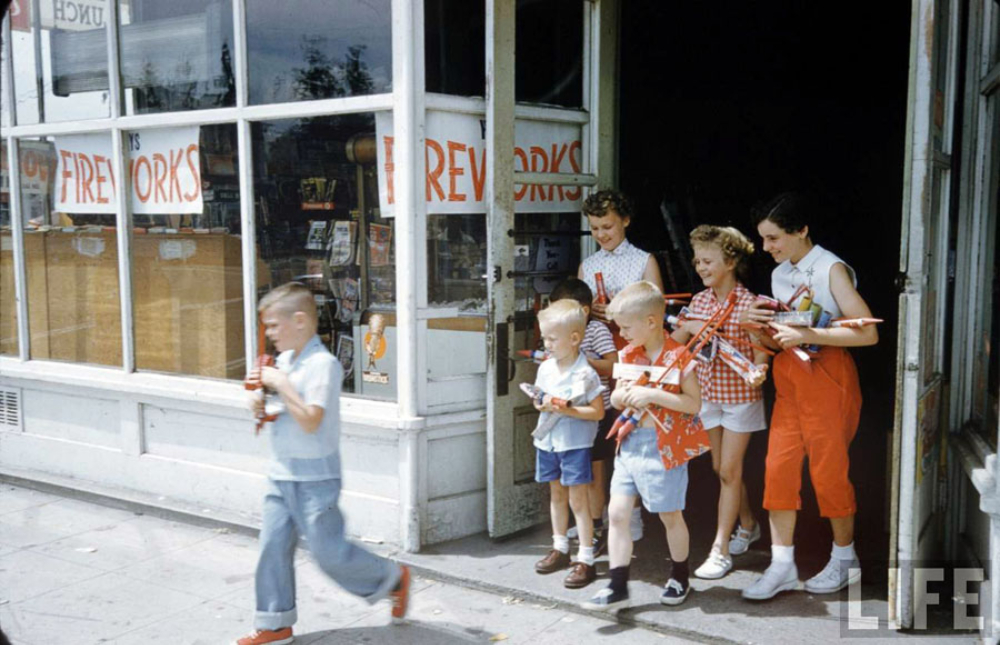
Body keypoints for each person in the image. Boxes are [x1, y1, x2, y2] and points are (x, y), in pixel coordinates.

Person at [235, 282, 410, 645]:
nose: (268, 334)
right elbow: (281, 411)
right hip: (281, 471)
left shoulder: (323, 365)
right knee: (272, 545)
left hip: (316, 477)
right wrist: (258, 404)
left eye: (273, 326)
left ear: (299, 321)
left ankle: (391, 578)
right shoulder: (284, 362)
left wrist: (281, 384)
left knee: (329, 554)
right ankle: (274, 622)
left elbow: (311, 419)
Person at [740, 193, 878, 601]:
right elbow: (783, 336)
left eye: (774, 238)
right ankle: (782, 564)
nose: (767, 248)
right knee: (777, 467)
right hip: (789, 377)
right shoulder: (781, 273)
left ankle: (844, 559)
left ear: (801, 230)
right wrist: (756, 330)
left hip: (828, 376)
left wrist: (809, 335)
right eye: (763, 239)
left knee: (828, 471)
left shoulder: (831, 267)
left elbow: (868, 332)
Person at [582, 281, 709, 611]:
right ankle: (617, 582)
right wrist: (628, 394)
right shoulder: (627, 354)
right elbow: (619, 394)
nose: (621, 334)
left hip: (663, 447)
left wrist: (653, 394)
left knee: (669, 514)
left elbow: (693, 404)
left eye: (625, 327)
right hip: (630, 443)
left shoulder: (681, 358)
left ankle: (680, 575)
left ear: (651, 321)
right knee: (617, 513)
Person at [671, 226, 770, 580]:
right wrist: (692, 325)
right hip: (709, 395)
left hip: (741, 398)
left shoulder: (750, 303)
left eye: (708, 260)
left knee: (730, 471)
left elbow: (761, 352)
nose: (700, 267)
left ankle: (720, 548)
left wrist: (760, 370)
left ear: (730, 262)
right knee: (719, 469)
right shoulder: (699, 301)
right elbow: (675, 341)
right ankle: (748, 523)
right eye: (697, 260)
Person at [578, 189, 664, 541]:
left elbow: (657, 310)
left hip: (635, 351)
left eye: (608, 226)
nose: (602, 234)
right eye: (595, 228)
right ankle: (606, 516)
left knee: (632, 429)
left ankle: (637, 512)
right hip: (601, 352)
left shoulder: (644, 260)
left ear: (625, 220)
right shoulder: (589, 264)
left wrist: (623, 311)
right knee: (603, 433)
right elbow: (577, 312)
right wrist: (591, 310)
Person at [530, 299, 606, 589]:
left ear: (574, 339)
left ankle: (585, 558)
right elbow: (539, 398)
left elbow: (598, 412)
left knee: (578, 500)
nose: (546, 344)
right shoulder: (547, 369)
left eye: (552, 338)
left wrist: (566, 409)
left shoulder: (585, 373)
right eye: (544, 337)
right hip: (548, 441)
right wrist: (541, 404)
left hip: (574, 444)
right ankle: (560, 547)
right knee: (556, 494)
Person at [549, 278, 618, 556]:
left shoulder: (597, 330)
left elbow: (614, 365)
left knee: (594, 474)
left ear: (585, 310)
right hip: (567, 414)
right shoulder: (559, 335)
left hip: (596, 412)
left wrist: (580, 361)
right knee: (571, 475)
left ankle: (597, 526)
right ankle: (580, 524)